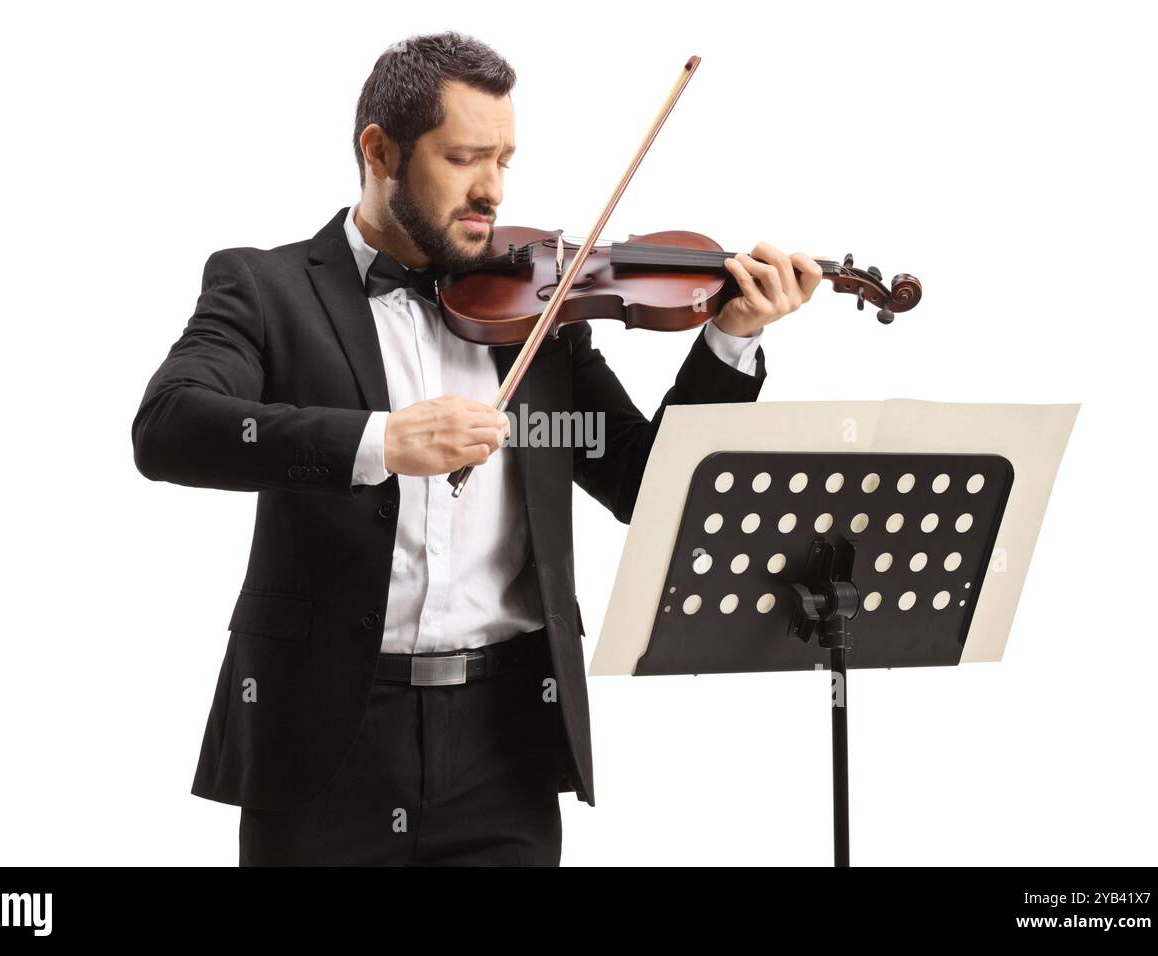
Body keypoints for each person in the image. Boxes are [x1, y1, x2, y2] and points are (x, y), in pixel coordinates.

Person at [131, 31, 822, 866]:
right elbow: (171, 427)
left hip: (507, 742)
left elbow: (650, 490)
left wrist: (730, 341)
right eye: (464, 158)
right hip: (322, 744)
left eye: (504, 160)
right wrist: (382, 440)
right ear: (379, 151)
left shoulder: (543, 309)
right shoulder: (265, 287)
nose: (491, 190)